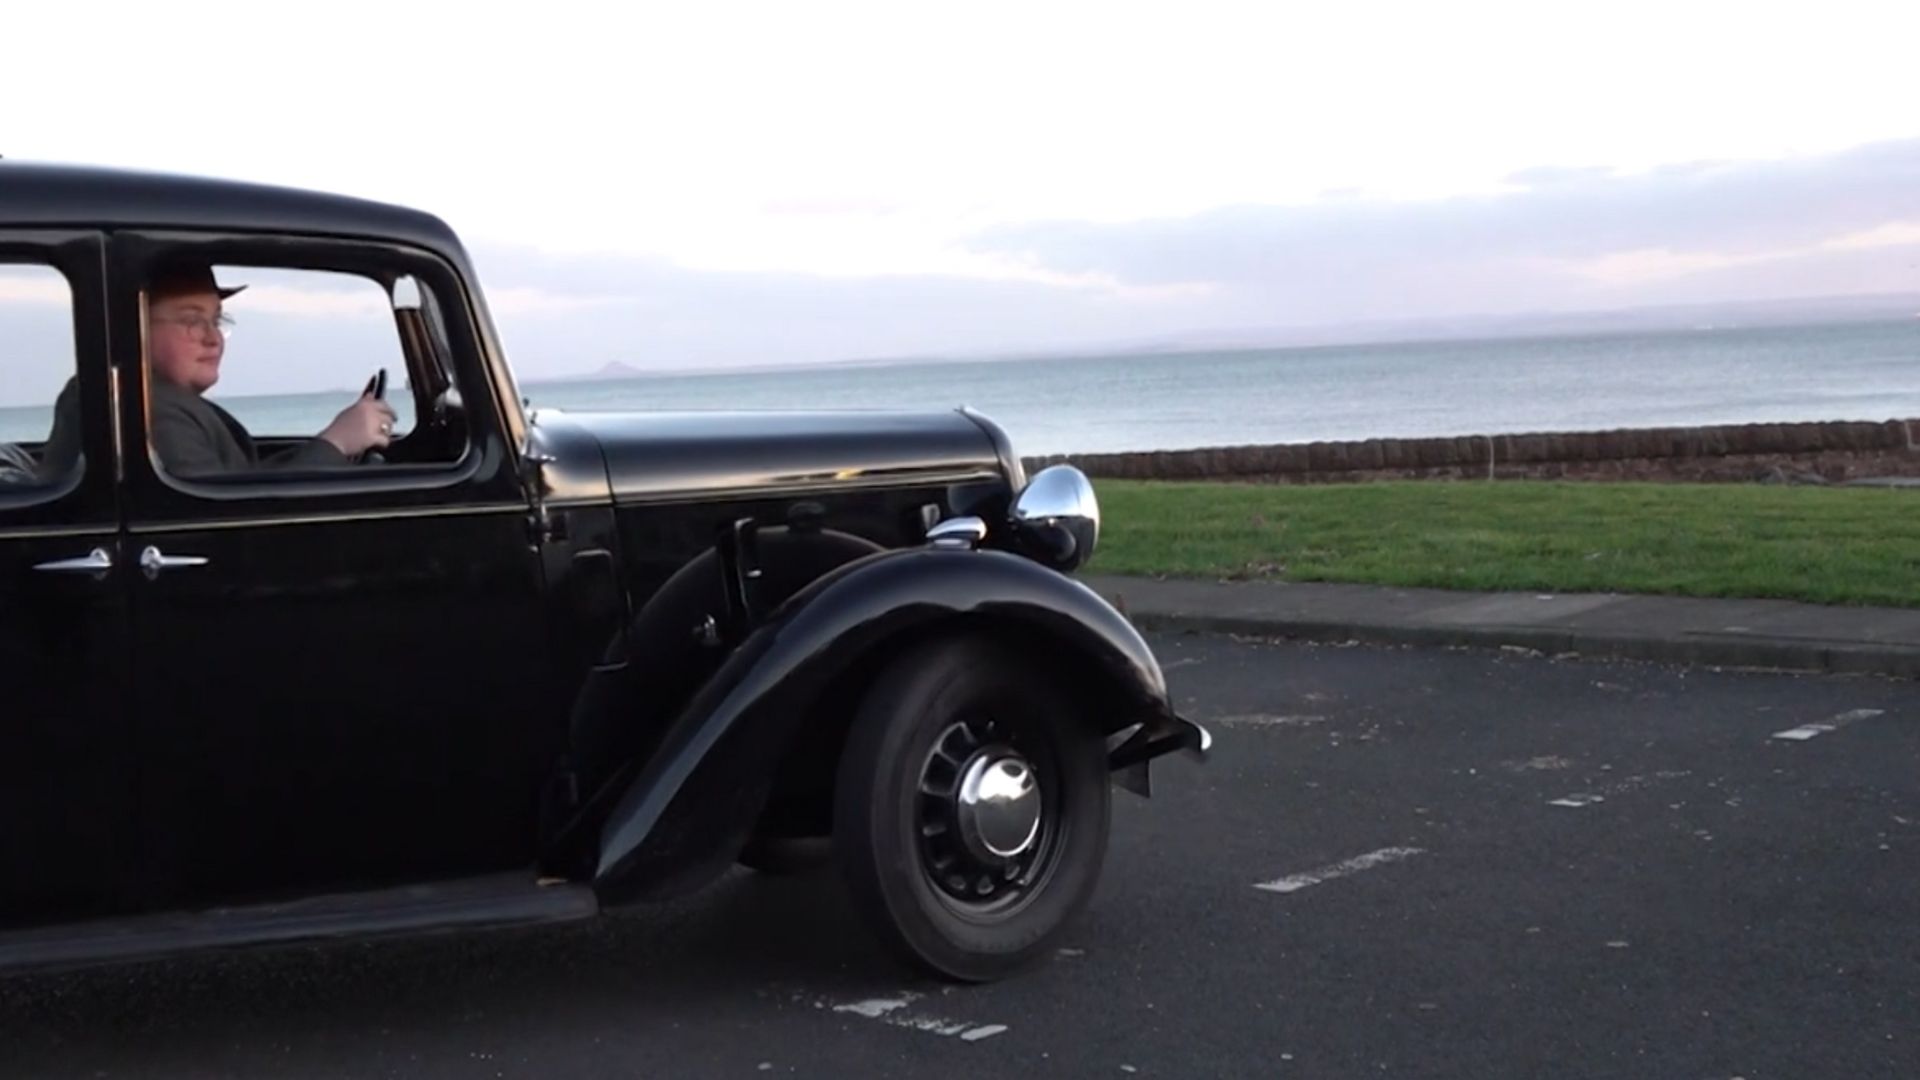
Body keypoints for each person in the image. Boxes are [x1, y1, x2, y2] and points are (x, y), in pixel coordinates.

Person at [40, 261, 396, 479]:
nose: (213, 339)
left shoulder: (155, 396)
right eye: (192, 321)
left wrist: (332, 444)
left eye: (216, 320)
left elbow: (241, 481)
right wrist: (336, 442)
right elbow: (225, 513)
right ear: (133, 328)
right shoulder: (146, 409)